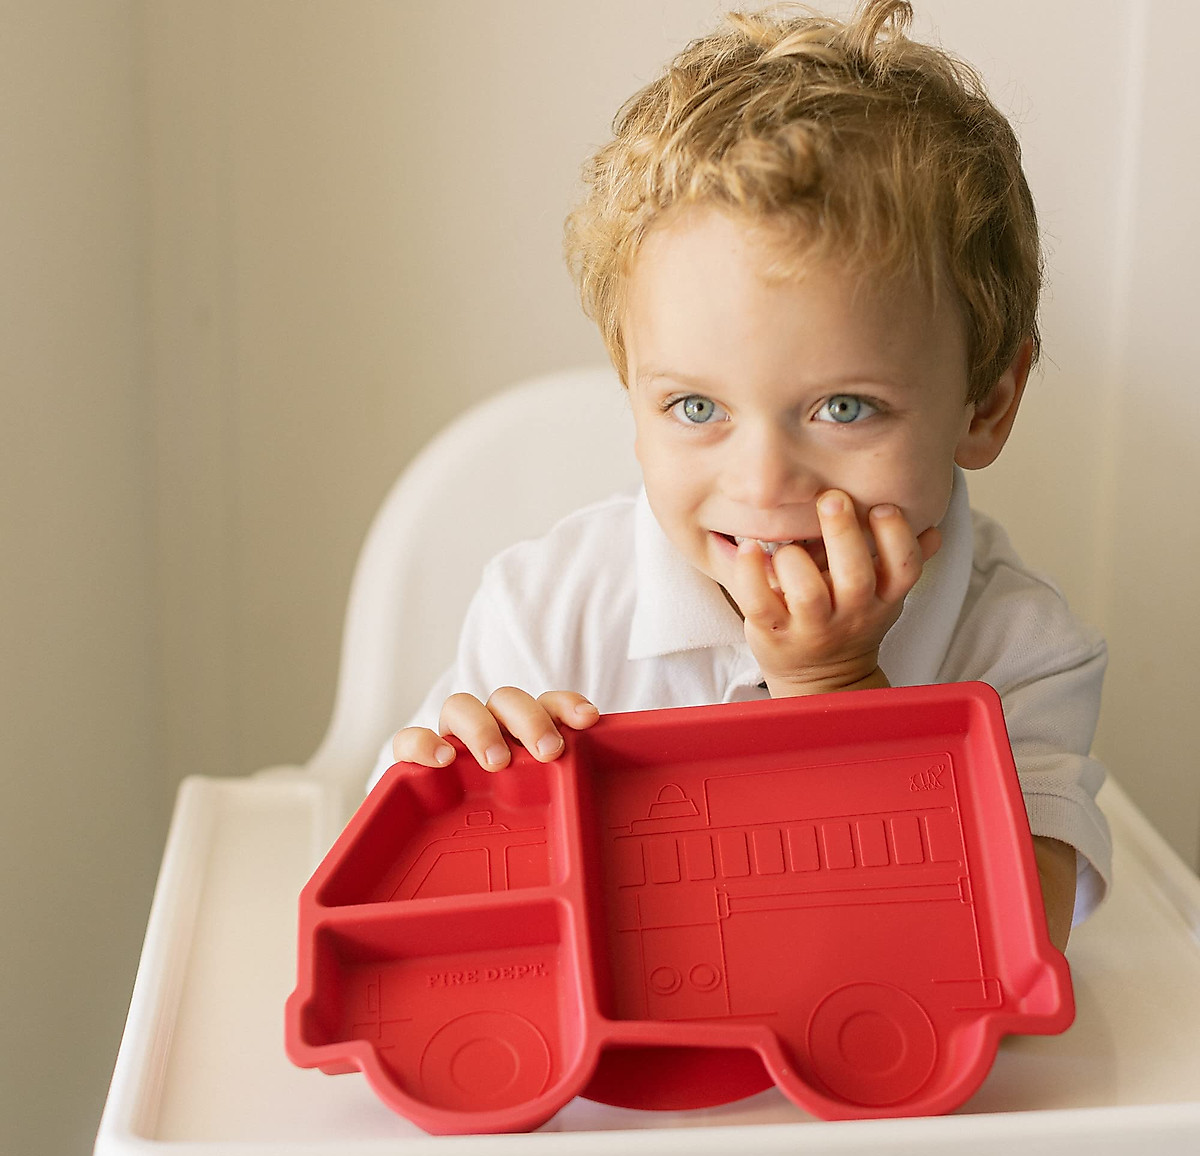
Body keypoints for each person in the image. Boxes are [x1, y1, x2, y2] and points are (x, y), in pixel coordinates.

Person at [373, 0, 1110, 952]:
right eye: (694, 408)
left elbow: (1016, 943)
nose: (763, 482)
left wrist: (837, 692)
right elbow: (402, 916)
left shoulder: (1019, 652)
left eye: (843, 408)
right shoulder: (545, 610)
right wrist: (477, 808)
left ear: (986, 404)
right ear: (631, 390)